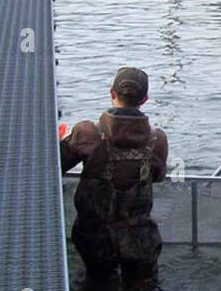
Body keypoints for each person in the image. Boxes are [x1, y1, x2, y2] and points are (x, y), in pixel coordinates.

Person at [60, 66, 169, 278]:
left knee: (96, 285)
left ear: (112, 92)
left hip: (94, 239)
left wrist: (57, 143)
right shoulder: (157, 139)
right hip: (140, 239)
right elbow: (158, 177)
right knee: (143, 289)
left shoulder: (87, 132)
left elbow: (57, 165)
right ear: (144, 99)